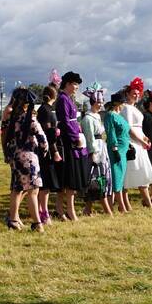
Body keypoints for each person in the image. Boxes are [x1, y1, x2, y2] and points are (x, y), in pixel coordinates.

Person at [2, 87, 48, 232]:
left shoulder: (12, 118)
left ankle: (13, 219)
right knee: (33, 190)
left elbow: (6, 136)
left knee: (17, 189)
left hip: (15, 156)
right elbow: (42, 138)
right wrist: (45, 150)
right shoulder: (30, 119)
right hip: (29, 157)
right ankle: (37, 223)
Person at [53, 71, 90, 221]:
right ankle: (66, 210)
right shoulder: (62, 99)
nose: (76, 87)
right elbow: (66, 122)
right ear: (67, 84)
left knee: (70, 181)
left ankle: (62, 209)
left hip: (74, 143)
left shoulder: (68, 98)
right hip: (69, 144)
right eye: (74, 84)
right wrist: (75, 138)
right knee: (68, 180)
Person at [79, 83, 113, 217]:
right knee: (96, 178)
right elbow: (89, 138)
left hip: (101, 147)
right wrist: (93, 153)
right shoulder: (88, 118)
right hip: (95, 150)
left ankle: (88, 209)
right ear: (93, 102)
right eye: (98, 102)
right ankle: (106, 210)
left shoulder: (97, 116)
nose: (100, 104)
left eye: (102, 102)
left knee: (99, 178)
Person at [120, 78, 152, 206]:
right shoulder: (126, 108)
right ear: (128, 93)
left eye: (138, 93)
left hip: (140, 142)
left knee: (141, 172)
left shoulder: (135, 108)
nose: (136, 95)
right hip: (132, 143)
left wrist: (145, 138)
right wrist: (141, 140)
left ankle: (147, 201)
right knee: (129, 173)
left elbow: (138, 127)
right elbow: (128, 128)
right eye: (134, 93)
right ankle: (125, 204)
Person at [35, 83, 62, 221]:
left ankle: (41, 210)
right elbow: (49, 134)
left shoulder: (45, 109)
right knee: (45, 184)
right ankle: (43, 212)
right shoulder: (46, 111)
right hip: (46, 151)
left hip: (44, 149)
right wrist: (55, 150)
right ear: (54, 95)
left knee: (43, 184)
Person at [103, 93, 132, 213]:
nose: (125, 104)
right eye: (123, 102)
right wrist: (114, 149)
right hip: (117, 149)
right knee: (117, 177)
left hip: (124, 149)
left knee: (121, 177)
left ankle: (119, 205)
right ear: (118, 103)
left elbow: (125, 132)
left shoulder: (119, 115)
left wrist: (129, 145)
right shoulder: (110, 115)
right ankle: (121, 206)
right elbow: (111, 133)